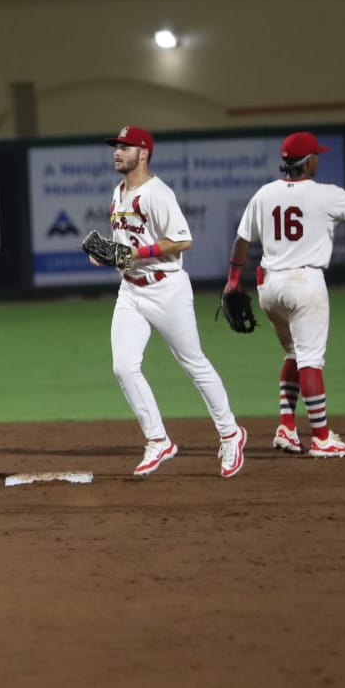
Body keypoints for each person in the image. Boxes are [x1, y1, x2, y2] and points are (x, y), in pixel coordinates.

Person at [226, 129, 345, 457]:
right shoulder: (323, 194)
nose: (318, 159)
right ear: (307, 162)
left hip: (269, 287)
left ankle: (287, 428)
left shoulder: (264, 194)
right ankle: (321, 437)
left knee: (294, 353)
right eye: (316, 156)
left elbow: (242, 241)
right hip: (304, 284)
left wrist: (233, 281)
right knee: (310, 359)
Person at [93, 125, 247, 478]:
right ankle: (158, 439)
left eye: (125, 147)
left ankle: (230, 434)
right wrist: (109, 256)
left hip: (167, 289)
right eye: (116, 146)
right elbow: (126, 250)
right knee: (124, 366)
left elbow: (181, 240)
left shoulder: (157, 193)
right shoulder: (118, 193)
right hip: (131, 291)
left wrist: (135, 251)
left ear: (143, 153)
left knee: (194, 363)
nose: (117, 151)